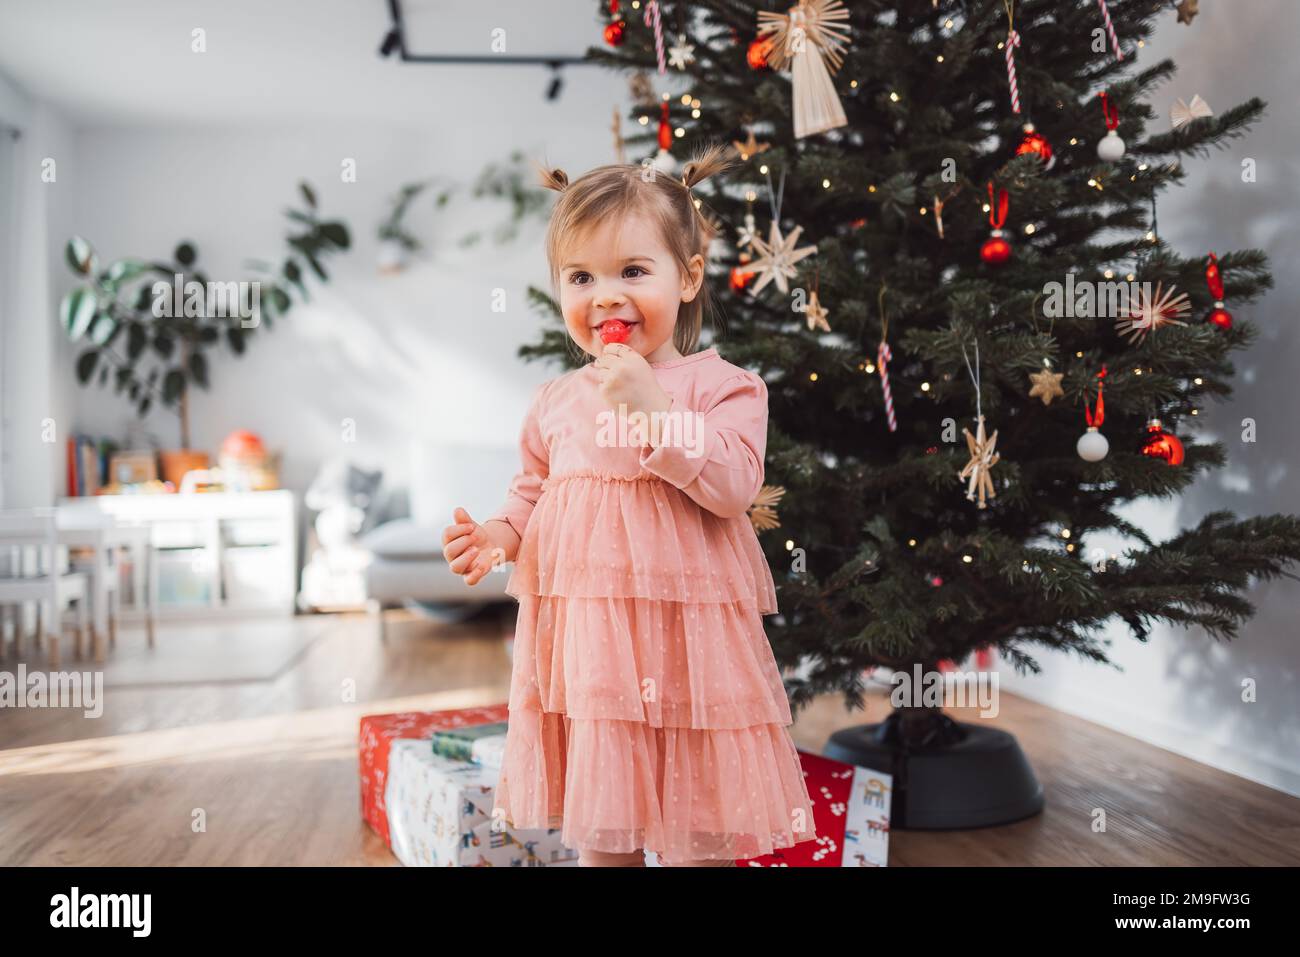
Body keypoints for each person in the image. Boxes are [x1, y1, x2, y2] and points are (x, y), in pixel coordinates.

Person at [442, 142, 817, 867]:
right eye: (581, 277)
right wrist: (497, 536)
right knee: (603, 822)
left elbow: (734, 486)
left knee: (694, 824)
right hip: (594, 656)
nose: (605, 296)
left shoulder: (722, 388)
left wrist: (656, 411)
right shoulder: (555, 399)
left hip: (689, 657)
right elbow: (532, 492)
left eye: (632, 271)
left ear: (688, 276)